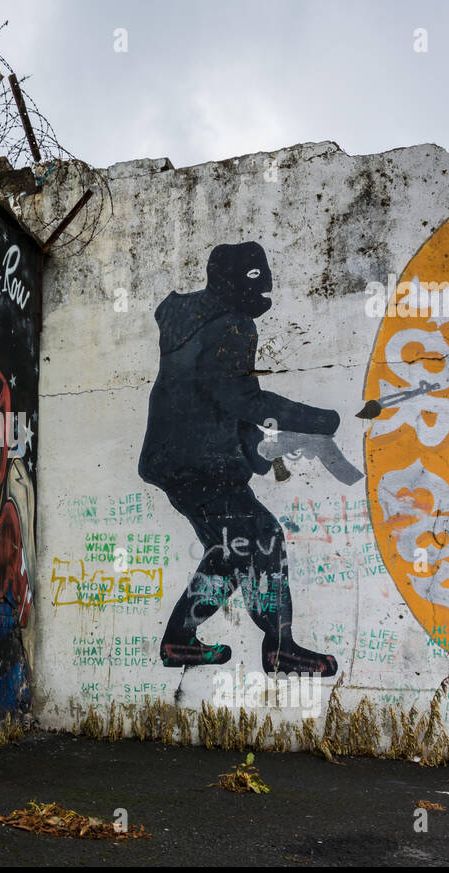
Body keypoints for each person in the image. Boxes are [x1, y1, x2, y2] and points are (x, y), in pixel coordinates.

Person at [139, 241, 339, 676]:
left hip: (177, 460)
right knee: (263, 538)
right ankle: (280, 647)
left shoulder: (192, 322)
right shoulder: (232, 325)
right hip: (201, 462)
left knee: (230, 551)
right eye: (254, 277)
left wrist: (256, 449)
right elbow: (238, 395)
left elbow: (211, 393)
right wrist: (317, 420)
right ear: (227, 281)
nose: (264, 287)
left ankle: (178, 641)